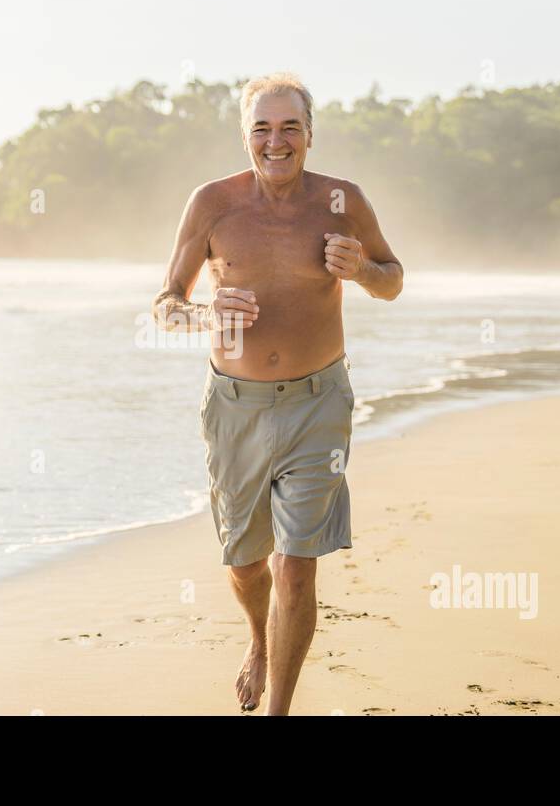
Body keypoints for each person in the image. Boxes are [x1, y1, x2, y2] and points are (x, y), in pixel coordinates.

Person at [152, 72, 403, 714]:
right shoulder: (211, 203)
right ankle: (258, 641)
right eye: (262, 128)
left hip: (319, 403)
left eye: (290, 127)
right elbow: (164, 306)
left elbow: (393, 279)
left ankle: (279, 711)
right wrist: (206, 315)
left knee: (297, 563)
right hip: (234, 407)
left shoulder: (343, 200)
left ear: (310, 136)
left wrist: (363, 271)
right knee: (244, 562)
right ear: (245, 137)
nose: (276, 141)